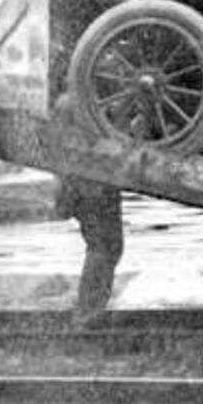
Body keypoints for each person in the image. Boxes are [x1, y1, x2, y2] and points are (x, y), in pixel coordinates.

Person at [51, 93, 124, 326]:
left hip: (93, 184)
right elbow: (66, 151)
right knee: (104, 245)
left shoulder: (76, 103)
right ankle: (87, 315)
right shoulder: (75, 104)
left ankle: (90, 312)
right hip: (90, 186)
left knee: (106, 246)